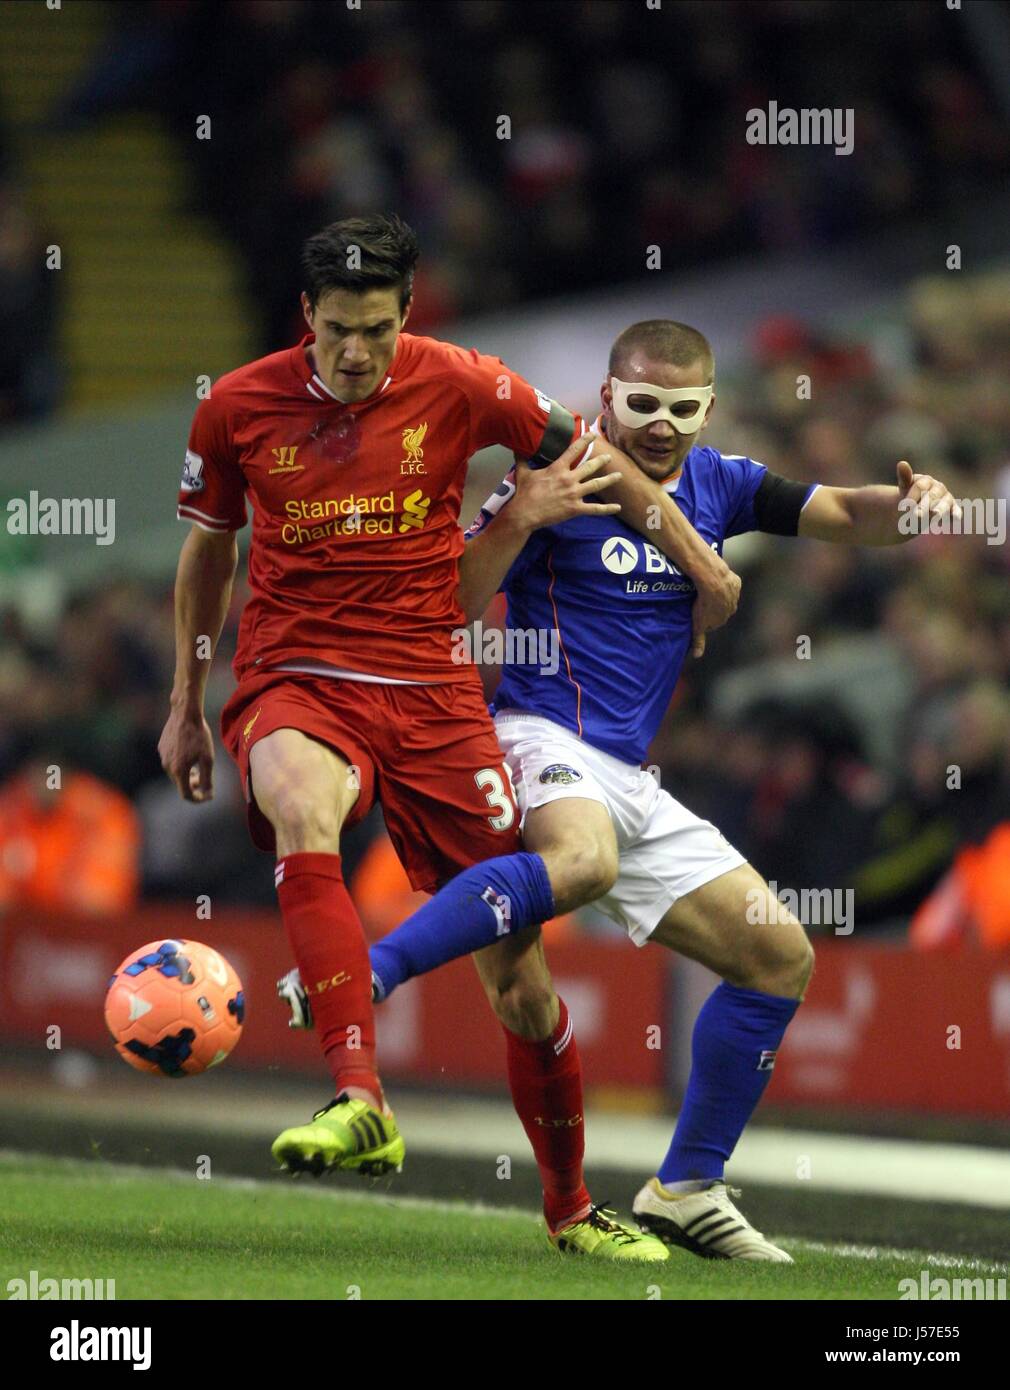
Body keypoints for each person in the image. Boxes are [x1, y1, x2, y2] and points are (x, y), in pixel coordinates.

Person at [284, 317, 960, 1260]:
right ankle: (372, 974)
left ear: (708, 408)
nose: (659, 424)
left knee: (779, 958)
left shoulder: (722, 484)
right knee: (582, 864)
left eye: (680, 408)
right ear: (607, 397)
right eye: (640, 403)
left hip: (631, 779)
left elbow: (846, 513)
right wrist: (522, 514)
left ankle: (686, 1186)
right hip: (538, 737)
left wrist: (916, 505)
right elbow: (450, 609)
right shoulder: (560, 478)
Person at [158, 215, 740, 1261]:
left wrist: (700, 562)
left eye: (376, 330)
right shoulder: (237, 406)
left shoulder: (468, 383)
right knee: (302, 803)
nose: (354, 352)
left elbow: (600, 459)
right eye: (337, 329)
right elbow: (206, 556)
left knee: (518, 979)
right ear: (306, 315)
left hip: (434, 691)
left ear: (405, 315)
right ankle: (357, 1092)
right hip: (301, 674)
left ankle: (568, 1207)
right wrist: (184, 701)